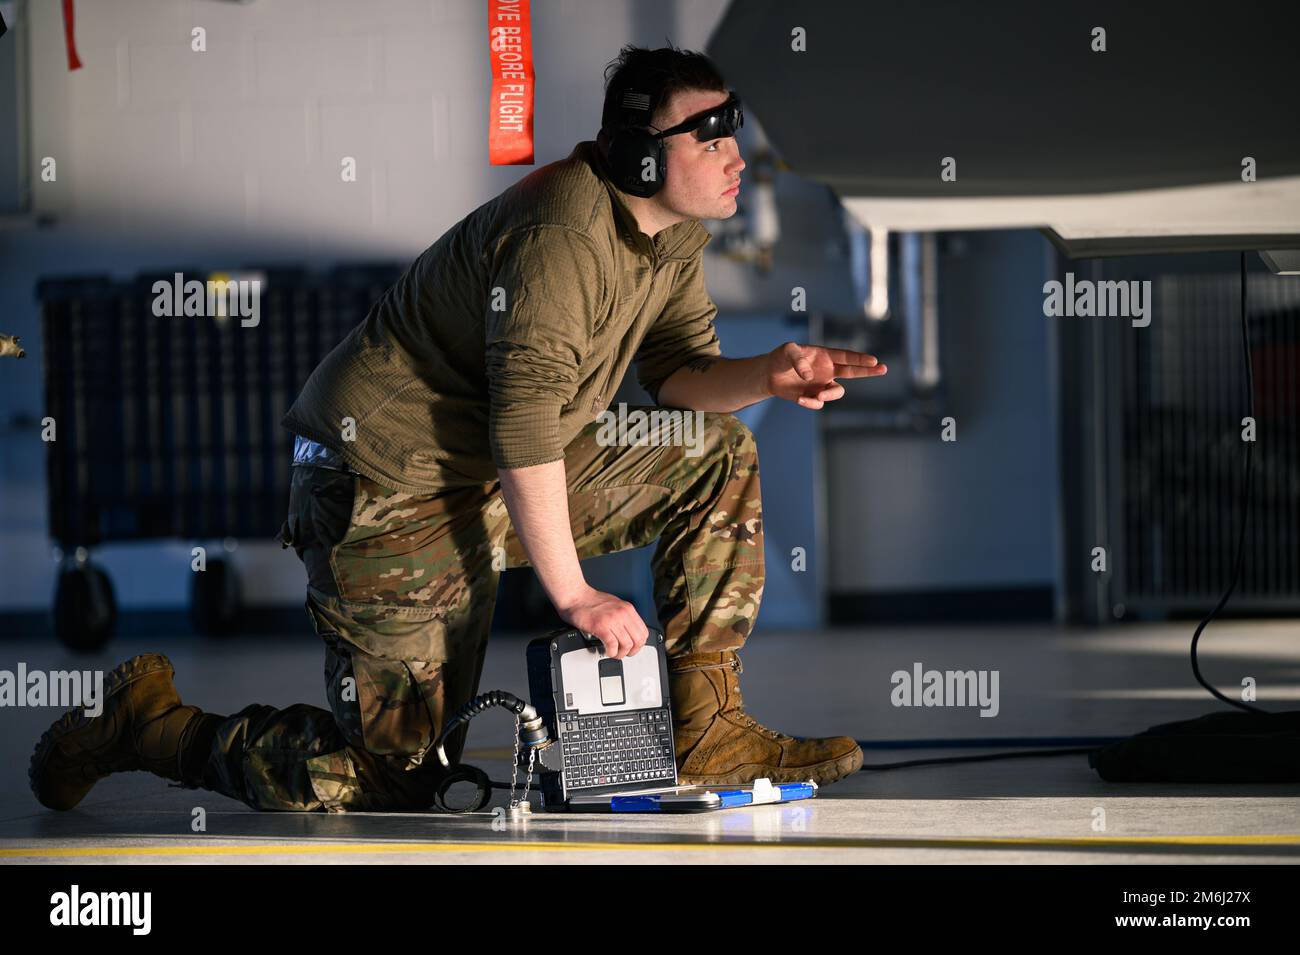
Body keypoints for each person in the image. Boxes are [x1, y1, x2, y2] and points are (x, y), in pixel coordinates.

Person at [30, 45, 887, 814]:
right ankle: (149, 728)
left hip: (486, 475)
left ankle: (707, 732)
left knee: (717, 450)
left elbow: (679, 374)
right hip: (382, 488)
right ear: (640, 155)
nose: (737, 157)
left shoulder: (671, 237)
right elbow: (523, 424)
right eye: (709, 139)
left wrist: (764, 373)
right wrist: (576, 592)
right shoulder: (562, 235)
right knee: (397, 777)